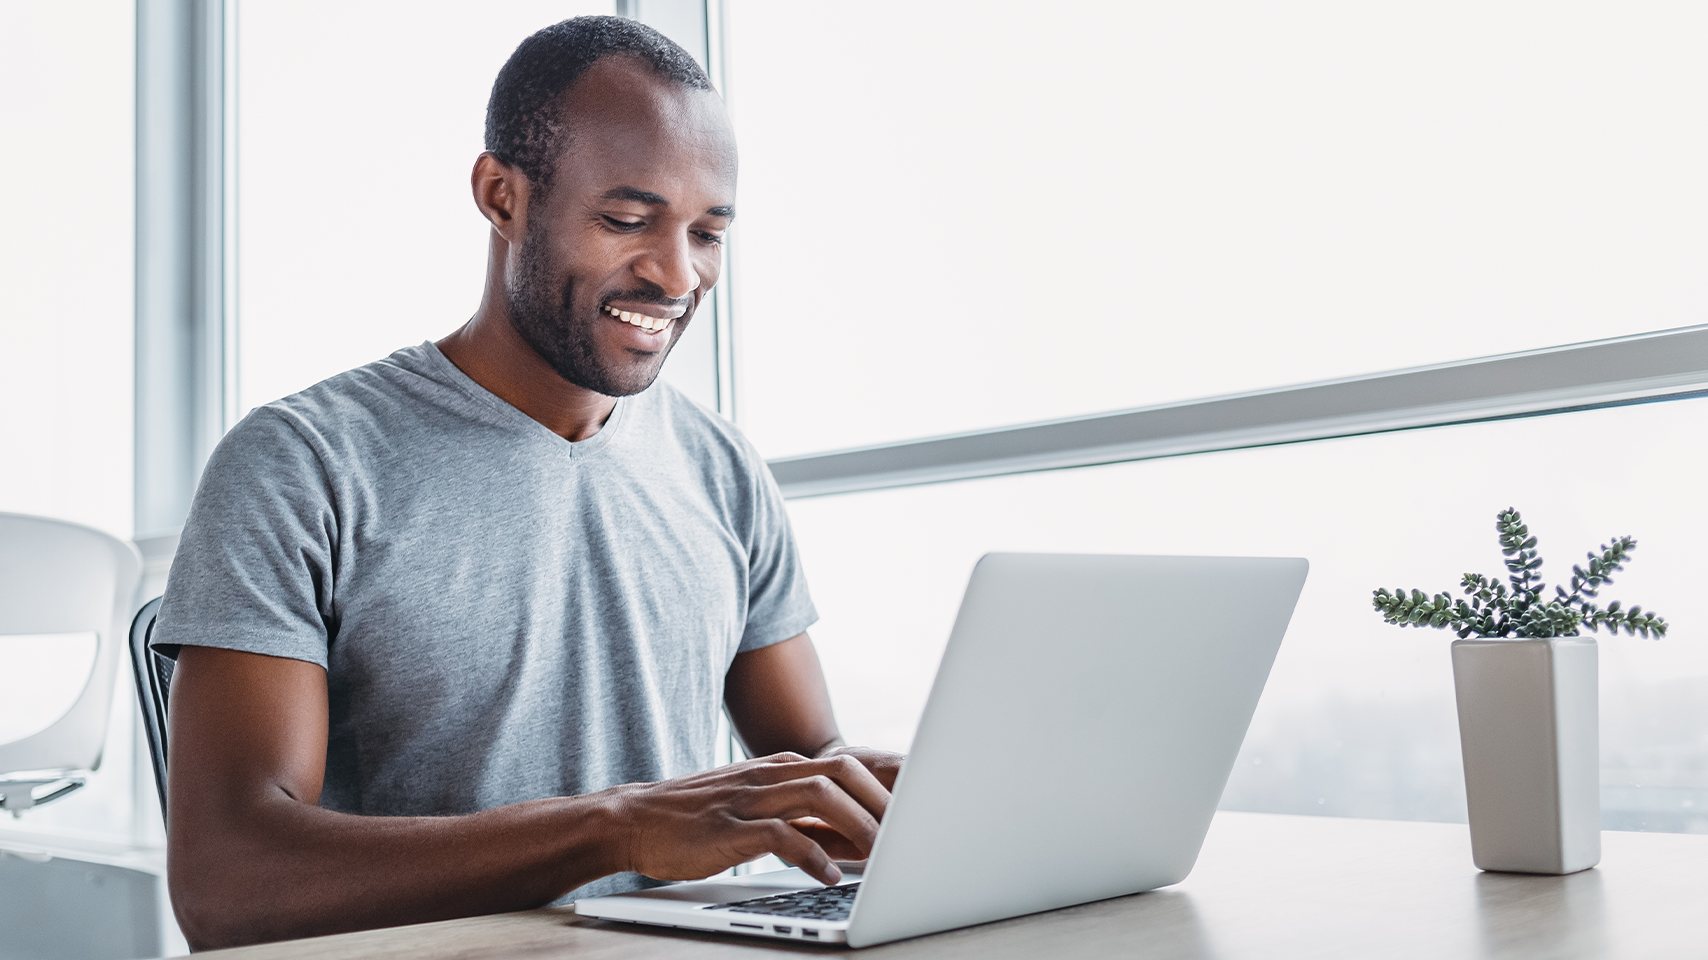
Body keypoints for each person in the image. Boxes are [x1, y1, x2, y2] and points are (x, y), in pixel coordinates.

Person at [151, 16, 900, 951]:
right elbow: (228, 883)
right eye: (627, 221)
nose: (676, 273)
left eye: (708, 232)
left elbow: (808, 758)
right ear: (502, 196)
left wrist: (916, 800)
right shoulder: (302, 464)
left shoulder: (721, 466)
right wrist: (616, 827)